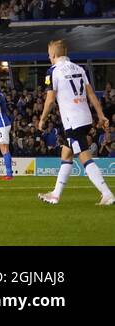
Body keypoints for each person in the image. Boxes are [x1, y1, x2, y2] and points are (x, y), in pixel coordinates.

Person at [36, 40, 114, 206]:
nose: (49, 57)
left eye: (49, 54)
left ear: (54, 54)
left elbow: (50, 100)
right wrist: (101, 116)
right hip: (85, 117)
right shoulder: (79, 68)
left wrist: (42, 119)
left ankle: (107, 193)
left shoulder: (53, 71)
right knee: (66, 153)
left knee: (84, 156)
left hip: (72, 121)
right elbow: (92, 94)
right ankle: (55, 194)